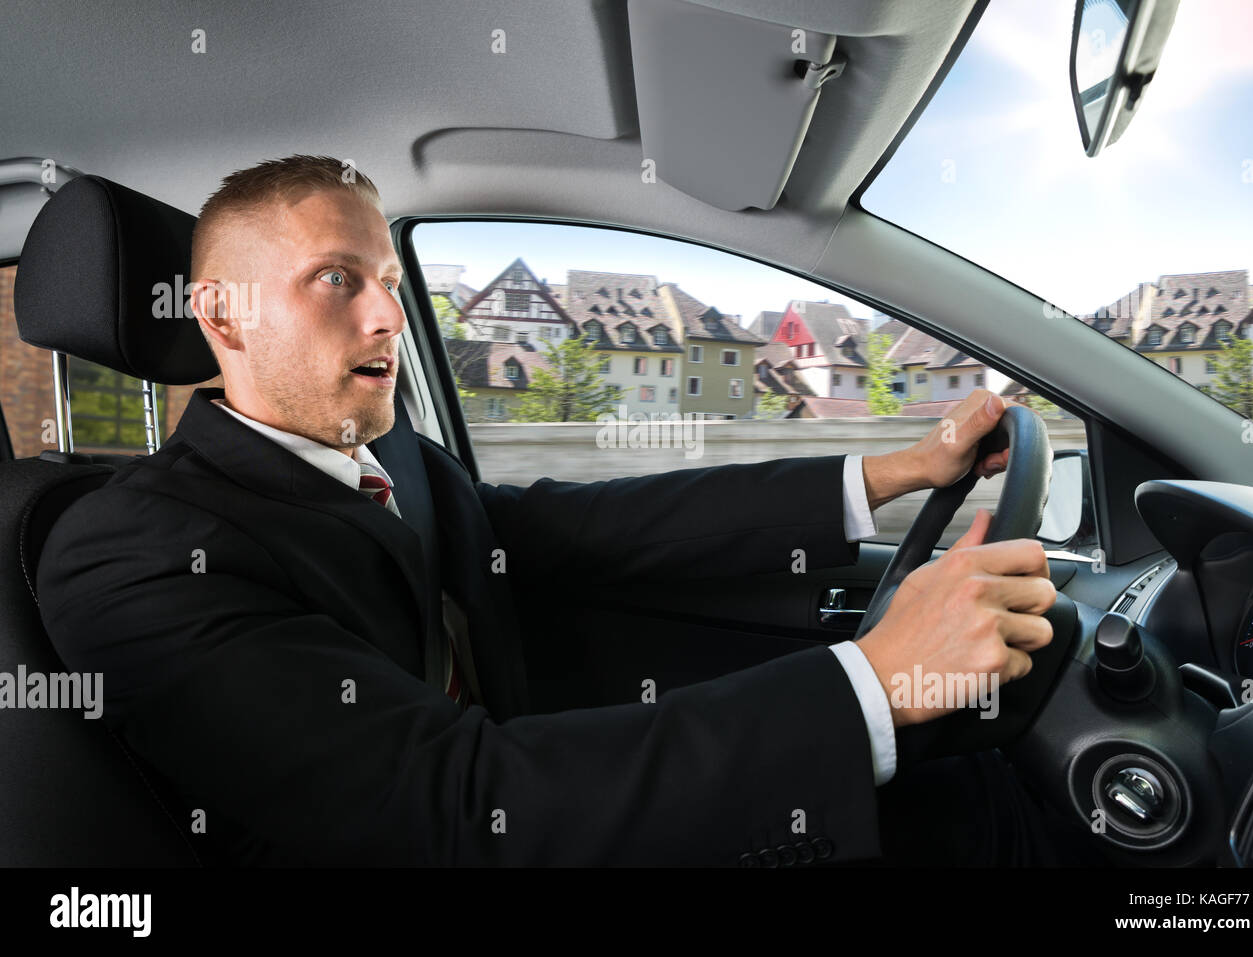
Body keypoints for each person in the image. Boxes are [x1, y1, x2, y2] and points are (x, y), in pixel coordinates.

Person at [36, 155, 1061, 866]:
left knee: (960, 793)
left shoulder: (386, 449)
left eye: (388, 282)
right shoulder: (133, 553)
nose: (388, 315)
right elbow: (455, 809)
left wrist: (886, 474)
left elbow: (578, 528)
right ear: (221, 315)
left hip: (541, 802)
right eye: (336, 280)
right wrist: (871, 686)